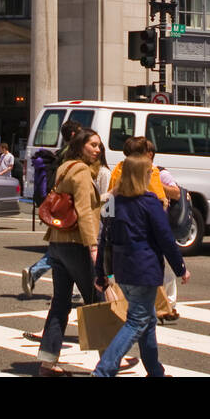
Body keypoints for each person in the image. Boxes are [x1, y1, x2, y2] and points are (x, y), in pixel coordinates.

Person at [92, 155, 190, 376]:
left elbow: (104, 239)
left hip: (122, 269)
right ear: (142, 176)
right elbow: (165, 238)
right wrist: (180, 268)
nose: (151, 176)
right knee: (137, 321)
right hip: (144, 269)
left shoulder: (114, 202)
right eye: (149, 173)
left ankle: (155, 370)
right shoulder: (150, 202)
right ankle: (103, 371)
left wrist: (101, 273)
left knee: (148, 319)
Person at [34, 129, 122, 375]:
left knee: (60, 304)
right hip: (77, 244)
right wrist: (93, 247)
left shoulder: (65, 167)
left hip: (57, 243)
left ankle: (47, 362)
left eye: (99, 146)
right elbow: (84, 211)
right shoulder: (82, 172)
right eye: (92, 145)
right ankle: (109, 361)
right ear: (80, 145)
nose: (97, 150)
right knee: (96, 302)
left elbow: (79, 204)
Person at [108, 137, 183, 322]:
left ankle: (161, 308)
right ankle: (165, 306)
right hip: (147, 232)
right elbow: (159, 201)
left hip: (122, 229)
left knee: (127, 278)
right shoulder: (151, 171)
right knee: (156, 272)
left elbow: (109, 200)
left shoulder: (118, 169)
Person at [22, 120, 81, 297]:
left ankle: (35, 273)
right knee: (71, 246)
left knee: (60, 246)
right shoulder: (72, 154)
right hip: (68, 207)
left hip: (57, 205)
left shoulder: (62, 152)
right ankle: (79, 287)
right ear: (72, 135)